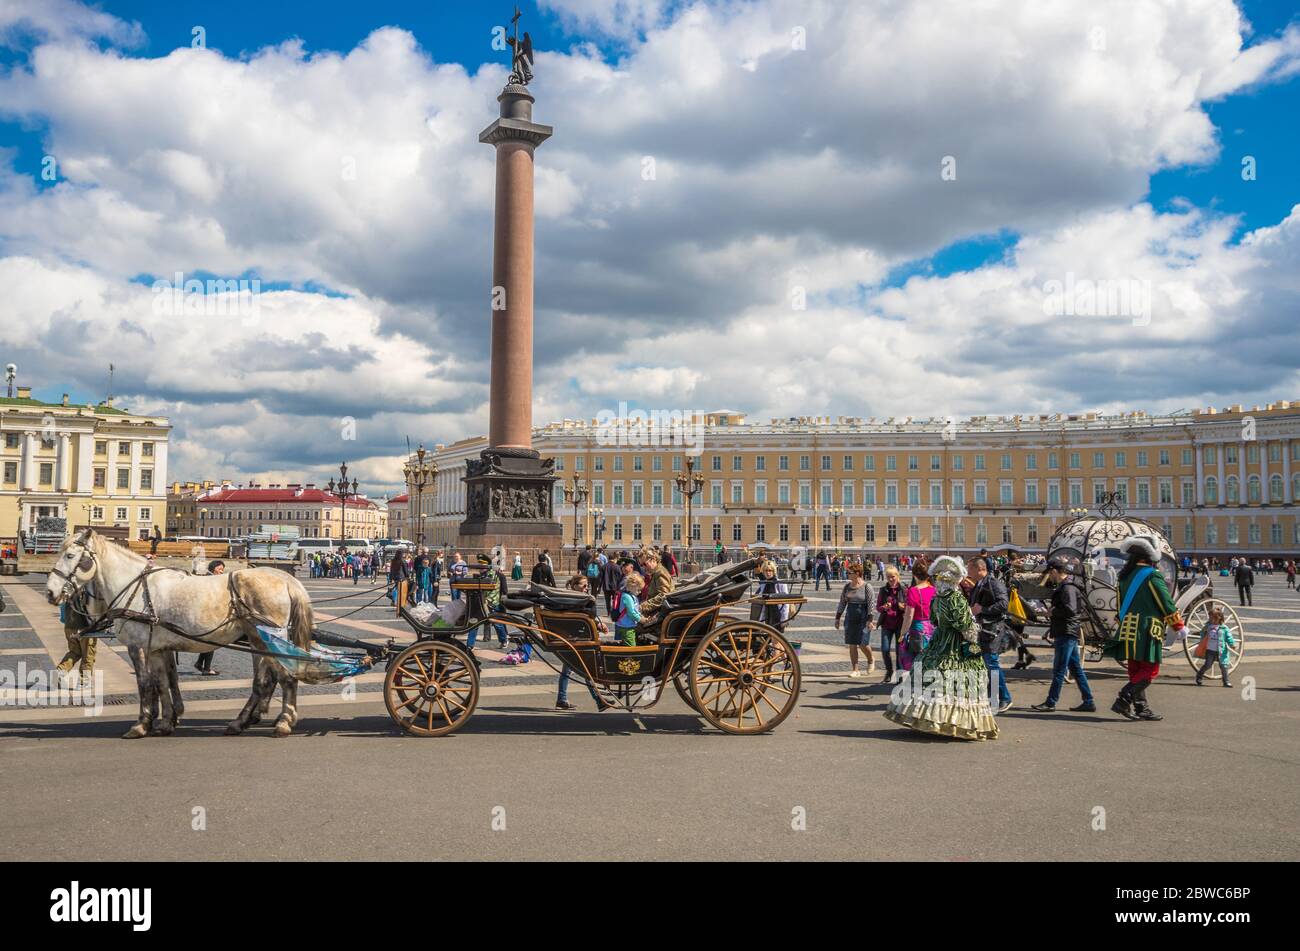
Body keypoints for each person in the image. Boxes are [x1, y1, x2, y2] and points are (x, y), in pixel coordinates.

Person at [884, 556, 999, 741]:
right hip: (956, 643)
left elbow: (934, 620)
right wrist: (973, 636)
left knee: (933, 674)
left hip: (939, 640)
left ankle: (929, 718)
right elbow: (964, 625)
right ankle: (954, 722)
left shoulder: (937, 599)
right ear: (955, 582)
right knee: (959, 679)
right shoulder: (957, 599)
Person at [1100, 533, 1188, 721]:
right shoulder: (1152, 576)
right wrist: (1178, 625)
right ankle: (1124, 698)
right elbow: (1166, 603)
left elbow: (1120, 603)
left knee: (1135, 669)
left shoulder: (1124, 576)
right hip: (1147, 629)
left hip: (1128, 628)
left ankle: (1142, 708)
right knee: (1150, 670)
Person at [1029, 556, 1094, 712]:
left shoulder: (1067, 588)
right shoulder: (1068, 586)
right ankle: (1088, 701)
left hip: (1066, 631)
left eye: (1050, 574)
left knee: (1059, 669)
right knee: (1076, 669)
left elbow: (1070, 609)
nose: (1049, 577)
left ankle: (1051, 702)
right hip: (1068, 630)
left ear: (1054, 571)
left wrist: (1053, 612)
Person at [968, 556, 1013, 713]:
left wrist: (983, 610)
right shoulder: (979, 584)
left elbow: (1003, 604)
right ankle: (992, 696)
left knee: (991, 663)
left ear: (980, 568)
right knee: (985, 664)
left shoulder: (993, 583)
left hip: (993, 630)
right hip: (983, 630)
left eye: (970, 568)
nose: (968, 572)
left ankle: (1005, 698)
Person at [834, 563, 875, 677]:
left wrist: (870, 620)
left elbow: (871, 604)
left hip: (863, 617)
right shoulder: (847, 587)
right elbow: (842, 602)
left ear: (857, 574)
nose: (848, 574)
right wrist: (838, 618)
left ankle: (871, 659)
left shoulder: (867, 587)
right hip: (850, 617)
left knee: (863, 643)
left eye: (850, 573)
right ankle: (855, 670)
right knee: (852, 644)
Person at [897, 559, 935, 672]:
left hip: (918, 630)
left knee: (918, 659)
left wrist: (902, 633)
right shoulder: (934, 590)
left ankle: (918, 684)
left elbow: (909, 615)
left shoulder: (914, 591)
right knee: (931, 658)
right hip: (933, 628)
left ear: (914, 575)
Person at [194, 560, 227, 675]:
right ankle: (206, 669)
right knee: (212, 641)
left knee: (209, 641)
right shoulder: (209, 579)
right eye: (219, 568)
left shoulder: (213, 578)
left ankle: (199, 663)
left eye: (222, 569)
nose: (221, 571)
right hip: (207, 614)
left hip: (210, 613)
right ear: (213, 568)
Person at [875, 565, 905, 683]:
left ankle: (899, 673)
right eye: (888, 577)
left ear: (897, 576)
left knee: (899, 650)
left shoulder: (903, 589)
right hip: (886, 623)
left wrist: (899, 605)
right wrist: (884, 607)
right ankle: (889, 670)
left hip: (900, 623)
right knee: (885, 649)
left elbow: (907, 606)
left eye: (892, 576)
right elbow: (878, 607)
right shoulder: (884, 590)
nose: (891, 579)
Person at [1194, 607, 1236, 688]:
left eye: (1212, 618)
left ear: (1218, 618)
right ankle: (1199, 676)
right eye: (1210, 618)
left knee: (1224, 666)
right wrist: (1203, 635)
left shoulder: (1224, 628)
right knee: (1207, 665)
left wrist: (1232, 644)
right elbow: (1203, 634)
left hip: (1221, 651)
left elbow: (1229, 637)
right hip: (1210, 650)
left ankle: (1226, 681)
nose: (1210, 619)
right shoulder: (1208, 626)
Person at [612, 572, 644, 645]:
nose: (640, 592)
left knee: (626, 645)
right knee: (630, 647)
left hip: (626, 625)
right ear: (632, 586)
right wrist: (641, 619)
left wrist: (640, 615)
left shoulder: (631, 595)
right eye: (638, 590)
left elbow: (635, 610)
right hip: (626, 626)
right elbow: (631, 612)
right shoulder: (627, 597)